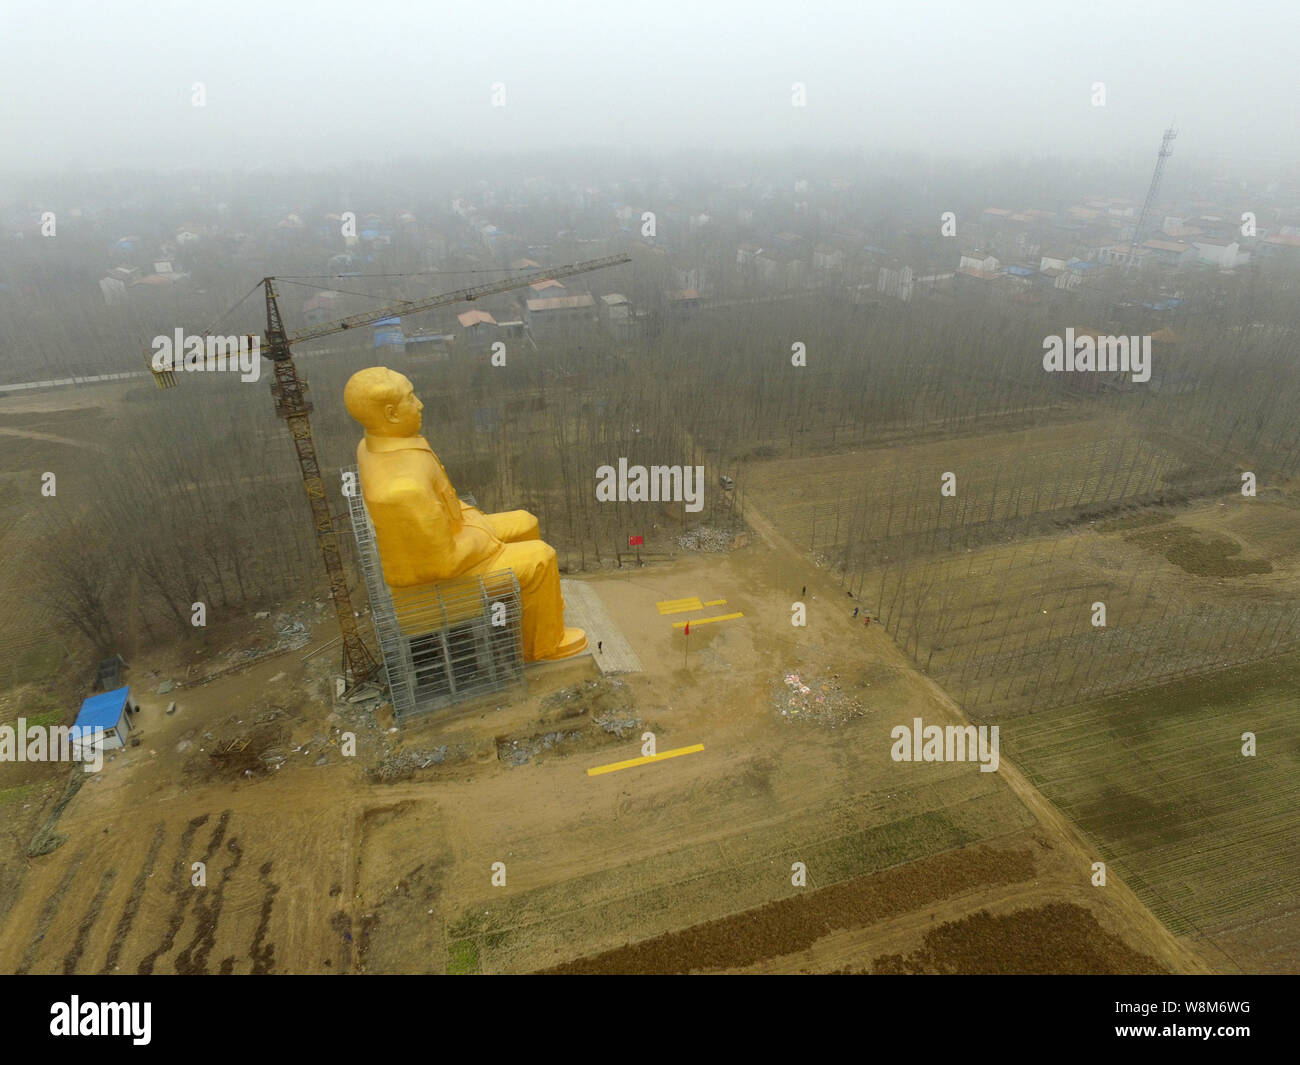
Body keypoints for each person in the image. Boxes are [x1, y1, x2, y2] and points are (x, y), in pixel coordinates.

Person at [345, 367, 586, 662]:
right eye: (411, 398)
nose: (420, 404)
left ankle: (532, 607)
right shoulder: (402, 490)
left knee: (525, 522)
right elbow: (443, 564)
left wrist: (473, 522)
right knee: (541, 557)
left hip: (454, 536)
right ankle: (543, 646)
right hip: (435, 589)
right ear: (392, 413)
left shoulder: (378, 445)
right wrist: (484, 538)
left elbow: (445, 506)